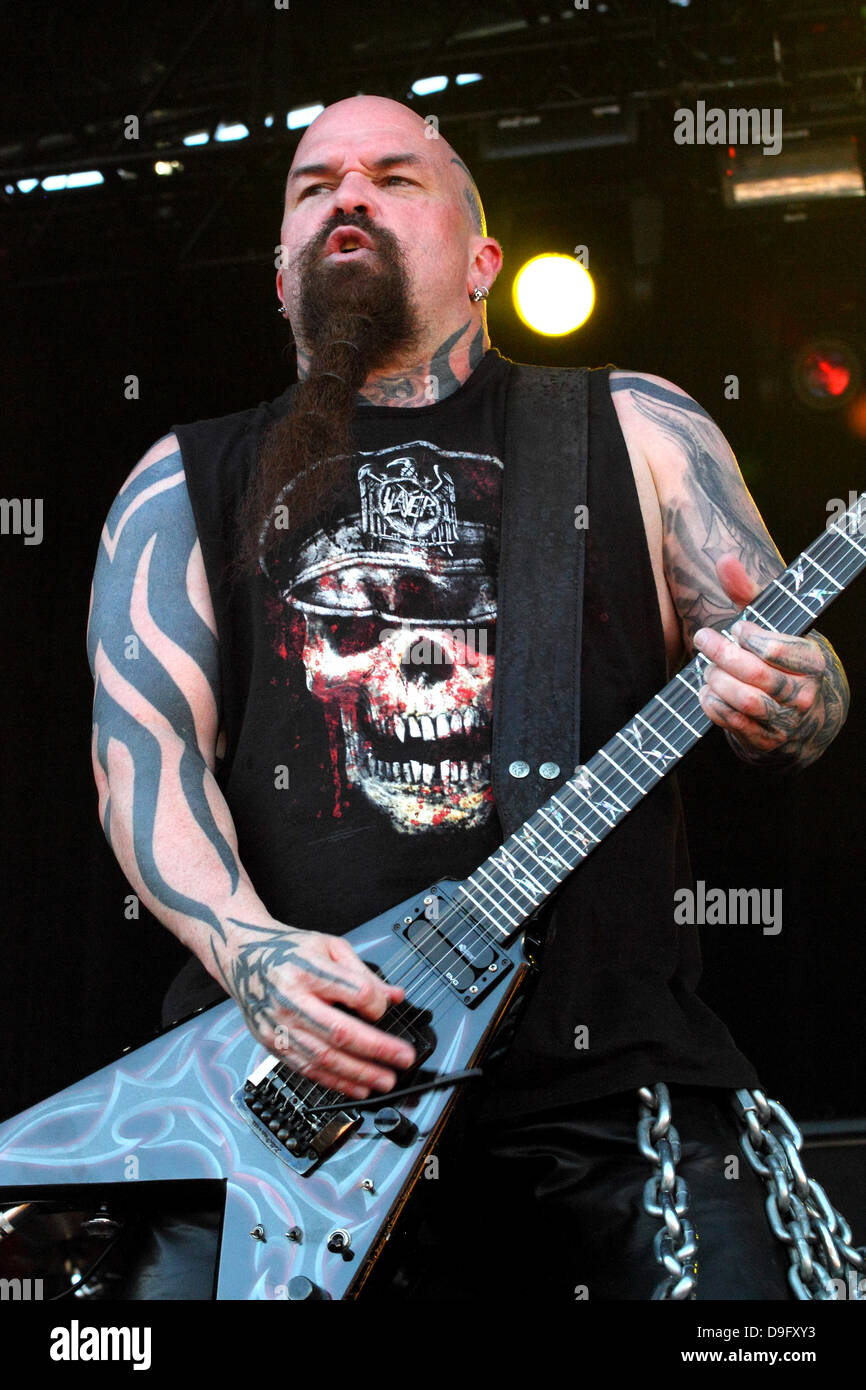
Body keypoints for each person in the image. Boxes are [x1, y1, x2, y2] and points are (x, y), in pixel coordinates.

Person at [87, 96, 851, 1300]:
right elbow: (145, 765)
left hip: (609, 1087)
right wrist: (253, 956)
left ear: (484, 259)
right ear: (277, 273)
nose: (347, 195)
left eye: (395, 176)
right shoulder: (183, 479)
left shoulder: (633, 429)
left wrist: (795, 689)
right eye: (312, 184)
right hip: (283, 1094)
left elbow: (791, 687)